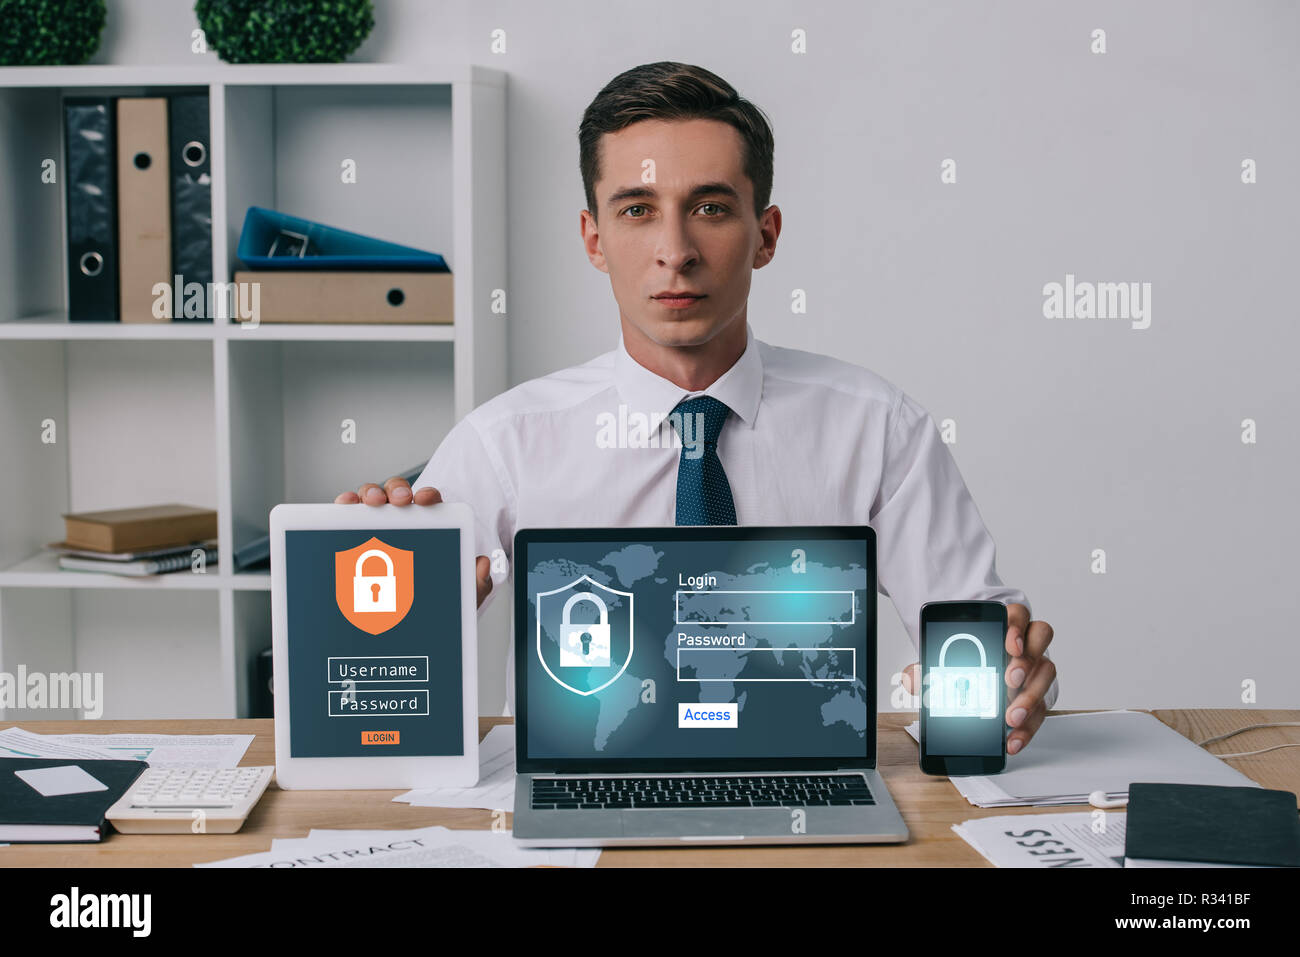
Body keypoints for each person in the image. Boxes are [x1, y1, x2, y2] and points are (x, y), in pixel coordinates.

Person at [336, 61, 1058, 753]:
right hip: (585, 795)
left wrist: (1011, 681)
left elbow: (975, 635)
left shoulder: (879, 429)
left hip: (807, 796)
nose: (674, 251)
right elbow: (378, 673)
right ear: (594, 239)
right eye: (637, 211)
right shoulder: (505, 444)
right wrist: (382, 610)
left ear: (765, 235)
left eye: (710, 209)